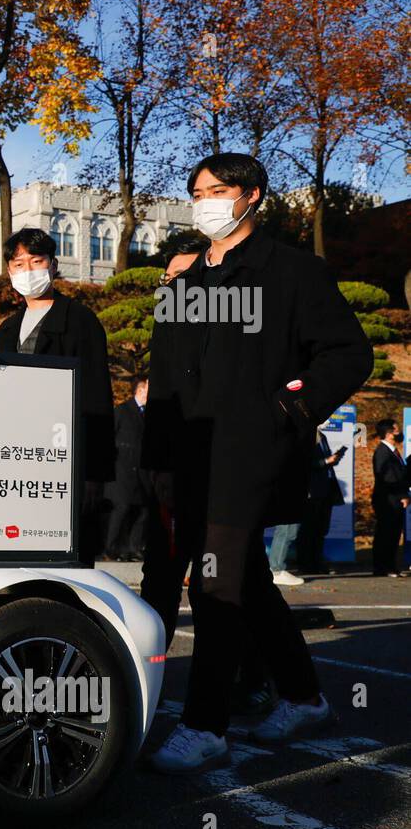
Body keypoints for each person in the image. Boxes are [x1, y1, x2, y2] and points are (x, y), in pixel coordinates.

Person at [144, 152, 372, 774]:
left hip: (248, 452)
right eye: (197, 192)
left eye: (219, 190)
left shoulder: (294, 272)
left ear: (253, 197)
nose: (205, 202)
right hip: (188, 453)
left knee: (216, 580)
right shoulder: (184, 281)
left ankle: (206, 724)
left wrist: (286, 410)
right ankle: (302, 695)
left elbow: (350, 355)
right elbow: (165, 375)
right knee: (245, 579)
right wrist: (156, 454)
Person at [0, 227, 115, 560]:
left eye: (36, 260)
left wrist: (94, 474)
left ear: (53, 265)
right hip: (12, 459)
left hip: (63, 460)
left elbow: (97, 398)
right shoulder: (7, 329)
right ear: (8, 270)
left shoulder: (80, 321)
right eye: (18, 264)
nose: (28, 270)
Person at [139, 251, 202, 647]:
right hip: (170, 475)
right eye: (169, 276)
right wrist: (157, 469)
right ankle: (151, 668)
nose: (173, 282)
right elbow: (160, 403)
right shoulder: (166, 325)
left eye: (184, 275)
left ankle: (249, 678)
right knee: (160, 579)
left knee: (225, 585)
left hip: (217, 472)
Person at [105, 377, 148, 561]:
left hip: (140, 472)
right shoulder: (122, 411)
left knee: (142, 511)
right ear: (140, 390)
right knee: (121, 509)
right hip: (121, 471)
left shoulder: (148, 414)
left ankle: (134, 547)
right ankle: (111, 547)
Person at [295, 430, 343, 574]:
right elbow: (303, 462)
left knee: (320, 529)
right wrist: (325, 461)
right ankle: (305, 564)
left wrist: (332, 460)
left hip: (326, 490)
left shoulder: (322, 437)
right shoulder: (305, 436)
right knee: (308, 530)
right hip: (312, 491)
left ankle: (317, 563)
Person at [371, 418, 409, 577]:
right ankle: (383, 567)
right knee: (386, 533)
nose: (399, 432)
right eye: (396, 430)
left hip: (394, 498)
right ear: (388, 433)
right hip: (387, 500)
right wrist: (402, 495)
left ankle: (390, 566)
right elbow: (387, 477)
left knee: (393, 534)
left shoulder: (393, 451)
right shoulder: (382, 452)